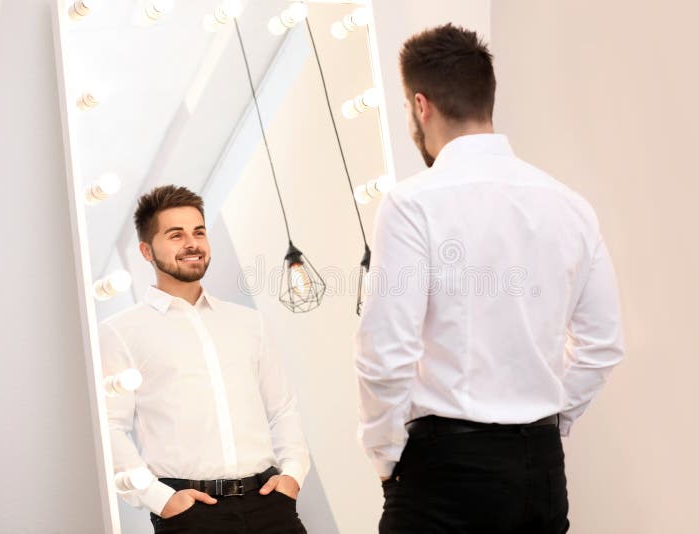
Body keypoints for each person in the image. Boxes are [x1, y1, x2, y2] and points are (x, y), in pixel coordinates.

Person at [354, 24, 624, 533]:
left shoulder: (413, 203)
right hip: (540, 469)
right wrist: (548, 419)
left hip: (445, 469)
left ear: (420, 105)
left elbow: (386, 350)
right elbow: (602, 345)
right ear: (487, 98)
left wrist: (386, 456)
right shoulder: (570, 206)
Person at [100, 185, 309, 534]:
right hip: (190, 515)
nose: (192, 243)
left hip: (271, 505)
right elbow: (110, 427)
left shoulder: (247, 322)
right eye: (176, 235)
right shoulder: (120, 332)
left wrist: (293, 475)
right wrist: (158, 498)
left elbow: (283, 408)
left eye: (199, 232)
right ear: (146, 251)